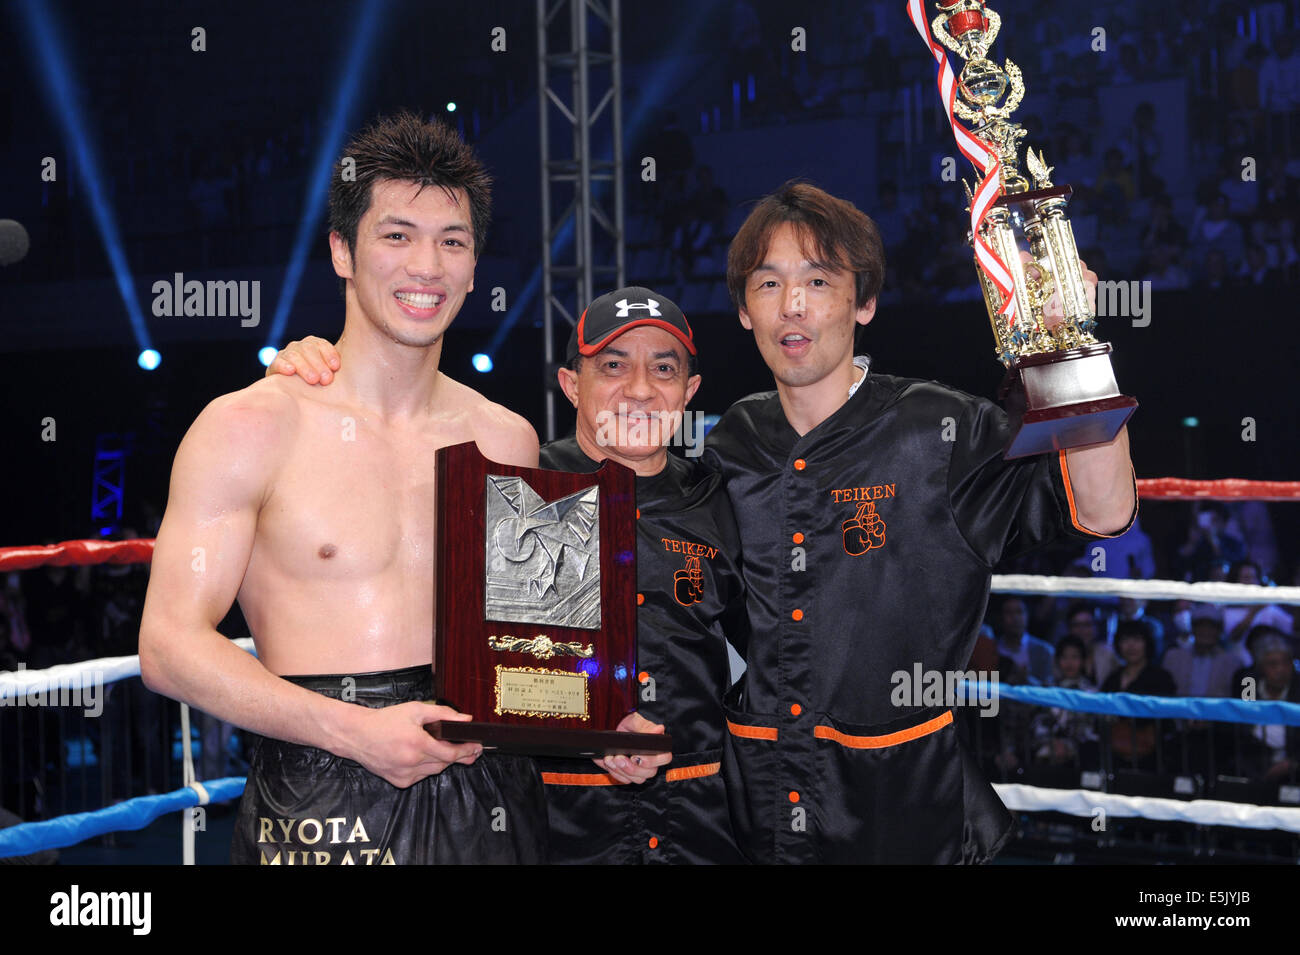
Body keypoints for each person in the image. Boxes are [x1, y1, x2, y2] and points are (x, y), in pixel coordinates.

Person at [140, 111, 661, 867]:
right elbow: (167, 645)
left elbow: (536, 661)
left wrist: (606, 727)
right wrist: (352, 729)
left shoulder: (505, 437)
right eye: (397, 235)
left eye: (452, 242)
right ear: (342, 251)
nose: (427, 265)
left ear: (475, 266)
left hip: (489, 793)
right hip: (320, 797)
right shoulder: (250, 425)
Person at [701, 180, 1137, 864]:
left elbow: (1105, 510)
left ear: (864, 301)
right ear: (743, 310)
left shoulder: (939, 428)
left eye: (818, 280)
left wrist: (1075, 344)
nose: (792, 305)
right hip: (760, 816)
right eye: (768, 283)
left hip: (908, 816)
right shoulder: (732, 439)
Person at [269, 287, 750, 864]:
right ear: (573, 385)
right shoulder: (514, 483)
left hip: (697, 824)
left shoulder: (722, 499)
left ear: (689, 390)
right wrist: (326, 371)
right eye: (614, 367)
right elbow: (375, 469)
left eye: (663, 369)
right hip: (543, 820)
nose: (640, 389)